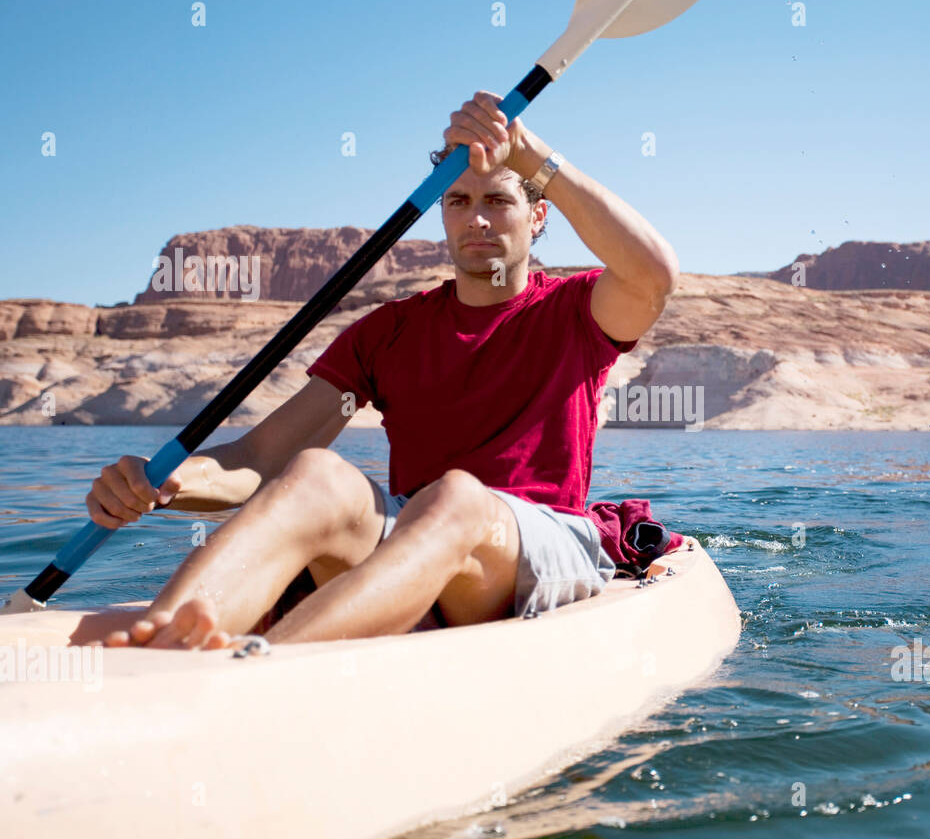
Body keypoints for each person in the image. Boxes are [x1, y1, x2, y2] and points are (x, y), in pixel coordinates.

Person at [87, 91, 679, 650]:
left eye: (498, 200)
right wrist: (167, 481)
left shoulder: (576, 311)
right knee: (316, 472)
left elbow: (653, 275)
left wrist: (532, 156)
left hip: (538, 543)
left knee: (454, 497)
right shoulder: (389, 331)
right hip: (412, 544)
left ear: (538, 215)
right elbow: (264, 458)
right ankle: (158, 645)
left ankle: (268, 666)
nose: (476, 220)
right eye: (459, 202)